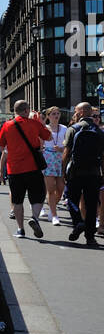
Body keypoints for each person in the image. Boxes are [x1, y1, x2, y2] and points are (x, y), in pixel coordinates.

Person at [0, 100, 50, 239]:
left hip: (14, 169)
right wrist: (40, 121)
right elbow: (48, 136)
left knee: (17, 200)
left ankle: (20, 229)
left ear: (15, 111)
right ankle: (34, 218)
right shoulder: (34, 123)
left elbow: (1, 146)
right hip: (33, 167)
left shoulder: (7, 125)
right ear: (27, 111)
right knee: (38, 196)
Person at [62, 102, 104, 248]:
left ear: (80, 113)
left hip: (76, 172)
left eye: (75, 111)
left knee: (70, 198)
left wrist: (63, 172)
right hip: (93, 173)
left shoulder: (73, 129)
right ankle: (90, 237)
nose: (74, 112)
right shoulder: (99, 132)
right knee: (92, 204)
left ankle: (78, 222)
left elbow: (66, 153)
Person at [41, 106, 68, 223]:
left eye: (57, 113)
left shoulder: (64, 128)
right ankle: (54, 215)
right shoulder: (44, 129)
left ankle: (51, 204)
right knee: (51, 188)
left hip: (60, 158)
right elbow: (39, 144)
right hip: (48, 158)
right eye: (53, 114)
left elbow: (67, 145)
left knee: (61, 188)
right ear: (48, 116)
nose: (56, 116)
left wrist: (61, 149)